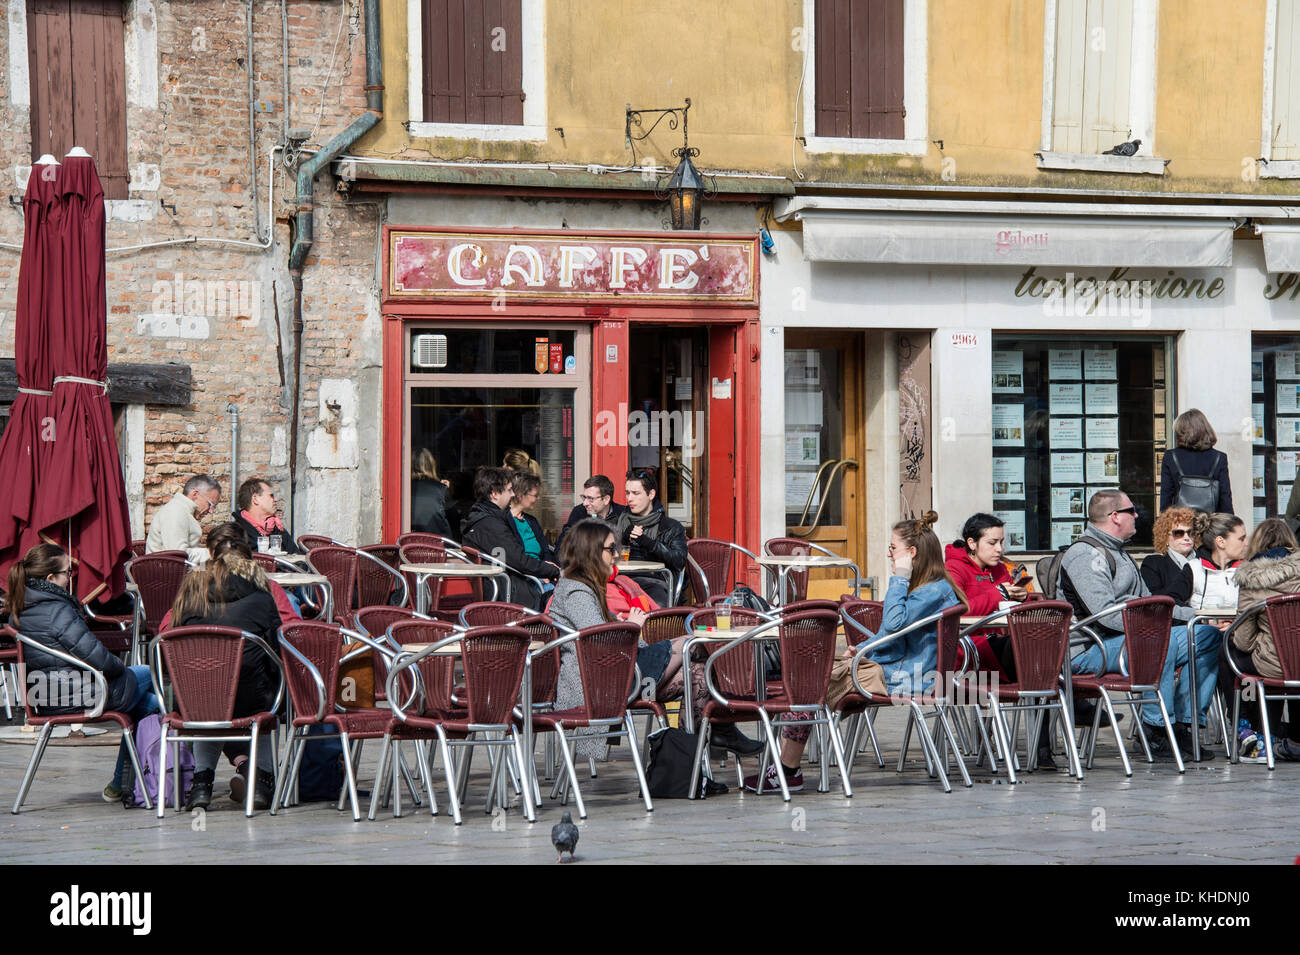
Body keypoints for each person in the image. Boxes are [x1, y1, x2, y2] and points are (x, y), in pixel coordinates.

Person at [745, 512, 964, 793]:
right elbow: (895, 635)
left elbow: (894, 624)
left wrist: (900, 576)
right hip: (908, 672)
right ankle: (786, 768)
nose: (888, 554)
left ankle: (787, 770)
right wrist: (861, 649)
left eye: (893, 549)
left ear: (911, 553)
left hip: (911, 679)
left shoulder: (930, 591)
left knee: (809, 685)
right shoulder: (933, 588)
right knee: (812, 676)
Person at [547, 521, 763, 762]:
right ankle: (727, 722)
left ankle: (687, 761)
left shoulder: (586, 585)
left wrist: (619, 623)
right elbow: (599, 641)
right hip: (600, 682)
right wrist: (631, 627)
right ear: (592, 552)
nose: (617, 555)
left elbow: (601, 632)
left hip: (618, 671)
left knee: (699, 673)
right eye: (611, 549)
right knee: (696, 644)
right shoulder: (576, 590)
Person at [1060, 489, 1223, 761]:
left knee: (1206, 636)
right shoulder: (1085, 555)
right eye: (1131, 510)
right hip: (1088, 650)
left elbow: (1150, 600)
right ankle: (1157, 729)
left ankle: (1183, 723)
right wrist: (1155, 626)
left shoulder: (1120, 554)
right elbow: (1104, 616)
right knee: (1161, 640)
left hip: (1126, 641)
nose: (1137, 515)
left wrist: (1193, 615)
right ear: (1115, 517)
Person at [4, 543, 161, 804]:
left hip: (43, 697)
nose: (71, 578)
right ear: (51, 578)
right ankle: (156, 778)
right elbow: (98, 658)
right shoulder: (58, 610)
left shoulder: (19, 609)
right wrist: (120, 668)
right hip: (78, 696)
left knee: (150, 704)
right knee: (148, 674)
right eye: (68, 573)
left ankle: (123, 784)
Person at [170, 527, 285, 810]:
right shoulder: (262, 599)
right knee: (271, 696)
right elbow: (276, 653)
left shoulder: (189, 598)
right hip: (251, 699)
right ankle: (262, 781)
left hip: (192, 701)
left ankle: (201, 785)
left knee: (209, 696)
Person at [1221, 518, 1300, 760]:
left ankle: (1245, 723)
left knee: (1227, 650)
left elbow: (1243, 641)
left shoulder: (1251, 579)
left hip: (1275, 665)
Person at [460, 466, 561, 611]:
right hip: (514, 598)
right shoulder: (491, 525)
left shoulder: (484, 520)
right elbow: (519, 561)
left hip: (509, 590)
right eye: (509, 490)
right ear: (494, 494)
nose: (513, 494)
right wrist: (554, 572)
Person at [944, 513, 1027, 678]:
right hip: (969, 648)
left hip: (1002, 642)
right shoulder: (953, 569)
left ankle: (1061, 698)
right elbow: (957, 611)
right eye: (992, 543)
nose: (999, 549)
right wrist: (999, 593)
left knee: (1044, 647)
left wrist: (1022, 597)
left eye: (1001, 542)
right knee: (1028, 652)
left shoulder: (1000, 569)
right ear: (972, 543)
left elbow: (1015, 609)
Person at [612, 469, 687, 607]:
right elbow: (602, 554)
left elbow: (679, 560)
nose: (629, 499)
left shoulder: (670, 526)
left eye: (636, 493)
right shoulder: (619, 521)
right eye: (627, 493)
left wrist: (649, 543)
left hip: (654, 580)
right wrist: (622, 538)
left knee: (655, 604)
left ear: (651, 494)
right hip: (619, 579)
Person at [1160, 409, 1232, 513]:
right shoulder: (1219, 458)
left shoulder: (1170, 457)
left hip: (1181, 523)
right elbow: (1225, 498)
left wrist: (1164, 524)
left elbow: (1166, 496)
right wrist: (1229, 526)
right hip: (1210, 522)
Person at [145, 474, 221, 564]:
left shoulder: (183, 510)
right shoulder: (176, 511)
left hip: (179, 570)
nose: (211, 511)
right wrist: (213, 554)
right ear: (195, 494)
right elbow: (176, 554)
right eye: (211, 504)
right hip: (166, 574)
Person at [1140, 508, 1205, 604]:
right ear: (1165, 537)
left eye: (1190, 532)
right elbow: (1154, 599)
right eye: (1178, 533)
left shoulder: (1204, 560)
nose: (1186, 538)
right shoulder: (1153, 563)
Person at [1190, 512, 1246, 610]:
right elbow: (1172, 604)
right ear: (1221, 542)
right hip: (1202, 625)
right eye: (1241, 539)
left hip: (1239, 625)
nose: (1246, 543)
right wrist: (1201, 618)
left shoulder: (1249, 570)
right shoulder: (1194, 569)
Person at [232, 476, 301, 555]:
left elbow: (296, 556)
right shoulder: (237, 532)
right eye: (271, 495)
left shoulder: (277, 529)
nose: (276, 500)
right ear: (255, 499)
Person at [555, 475, 627, 549]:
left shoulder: (623, 513)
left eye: (590, 498)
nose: (585, 503)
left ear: (606, 499)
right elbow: (562, 546)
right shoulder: (579, 512)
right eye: (584, 497)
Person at [410, 449, 455, 538]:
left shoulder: (403, 489)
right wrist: (447, 490)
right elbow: (453, 519)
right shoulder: (441, 489)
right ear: (431, 465)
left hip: (408, 543)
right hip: (437, 545)